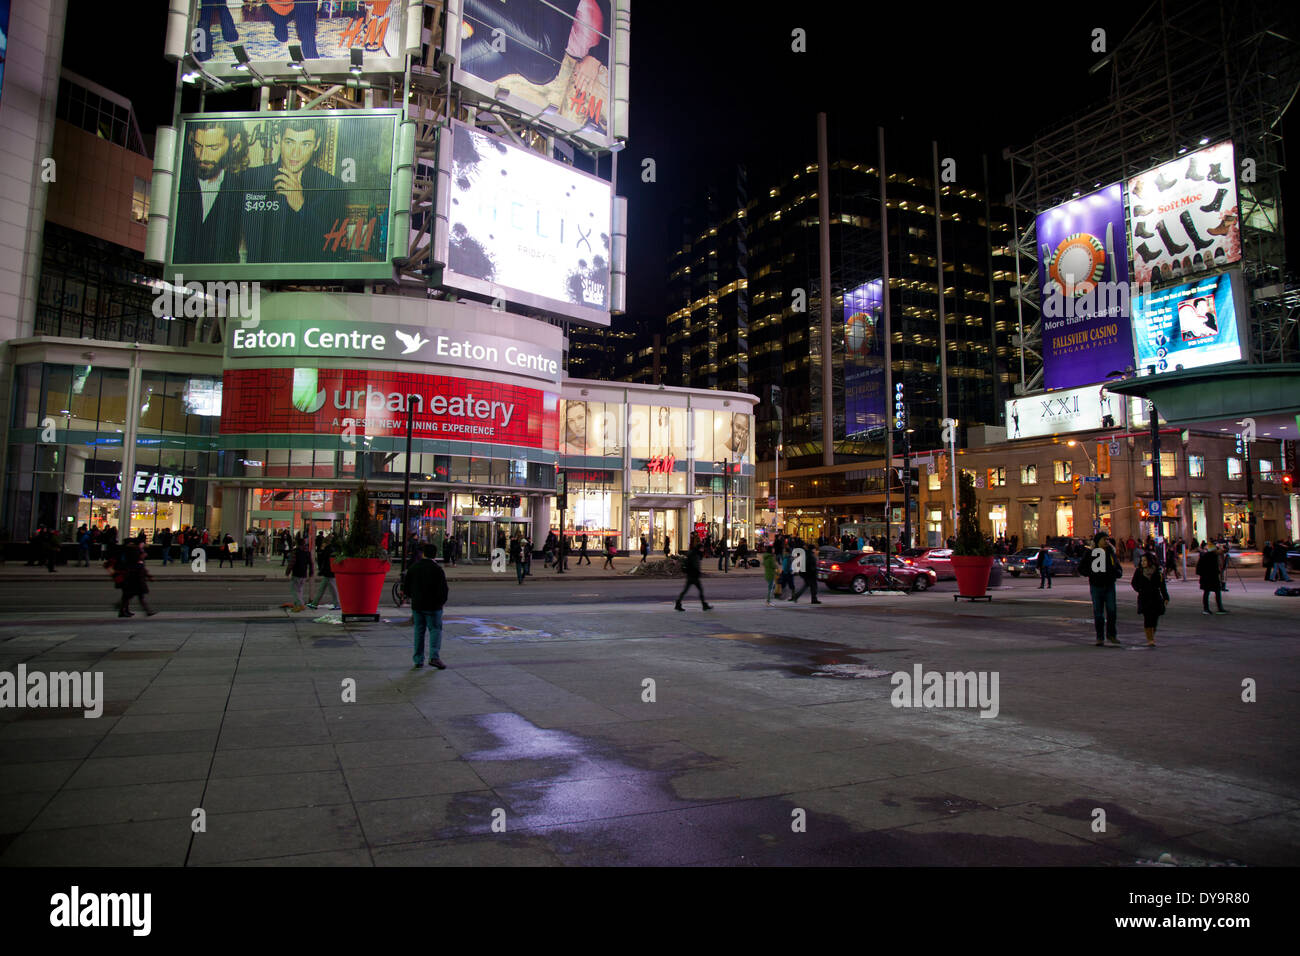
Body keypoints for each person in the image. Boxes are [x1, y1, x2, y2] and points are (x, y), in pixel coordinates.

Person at [240, 116, 347, 263]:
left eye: (305, 144)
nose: (295, 153)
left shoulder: (332, 187)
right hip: (260, 279)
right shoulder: (251, 178)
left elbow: (336, 247)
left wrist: (301, 207)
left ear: (317, 145)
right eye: (289, 142)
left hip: (306, 281)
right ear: (279, 139)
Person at [172, 120, 245, 263]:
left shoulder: (240, 188)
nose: (203, 156)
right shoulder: (178, 180)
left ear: (234, 142)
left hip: (224, 283)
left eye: (213, 147)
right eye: (198, 146)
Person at [404, 544, 450, 668]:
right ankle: (434, 657)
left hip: (418, 605)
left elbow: (406, 588)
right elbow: (443, 590)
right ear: (435, 555)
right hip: (433, 606)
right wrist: (440, 602)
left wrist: (413, 597)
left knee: (419, 631)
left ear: (423, 554)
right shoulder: (437, 569)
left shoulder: (414, 568)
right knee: (435, 630)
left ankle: (418, 659)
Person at [1084, 531, 1124, 646]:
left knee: (1112, 611)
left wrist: (1117, 572)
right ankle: (1100, 637)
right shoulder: (1091, 553)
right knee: (1098, 613)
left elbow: (1117, 567)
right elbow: (1082, 568)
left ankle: (1112, 635)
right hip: (1096, 586)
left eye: (1107, 539)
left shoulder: (1110, 552)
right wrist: (1092, 574)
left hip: (1109, 585)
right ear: (1097, 541)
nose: (1106, 541)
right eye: (1104, 539)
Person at [1131, 552, 1170, 647]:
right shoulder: (1139, 571)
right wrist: (1139, 589)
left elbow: (1162, 586)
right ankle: (1150, 639)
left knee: (1155, 618)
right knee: (1147, 618)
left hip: (1155, 597)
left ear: (1150, 561)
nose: (1143, 562)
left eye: (1145, 560)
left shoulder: (1157, 572)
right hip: (1144, 598)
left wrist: (1166, 597)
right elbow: (1134, 583)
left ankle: (1152, 634)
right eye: (1142, 561)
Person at [116, 534, 156, 618]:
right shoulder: (134, 551)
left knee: (129, 595)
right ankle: (122, 609)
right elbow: (137, 564)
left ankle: (123, 610)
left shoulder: (133, 550)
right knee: (132, 595)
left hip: (133, 576)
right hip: (133, 577)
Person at [675, 542, 711, 611]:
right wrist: (698, 573)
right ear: (699, 548)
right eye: (702, 548)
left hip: (690, 575)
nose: (703, 550)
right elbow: (696, 565)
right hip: (694, 575)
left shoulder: (693, 553)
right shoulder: (695, 555)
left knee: (685, 590)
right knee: (700, 590)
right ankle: (704, 605)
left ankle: (678, 603)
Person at [307, 535, 339, 609]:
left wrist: (321, 550)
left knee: (333, 589)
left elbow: (324, 560)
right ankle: (315, 603)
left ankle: (337, 604)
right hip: (329, 571)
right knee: (322, 588)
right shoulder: (333, 548)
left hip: (328, 572)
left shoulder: (328, 549)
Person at [285, 536, 315, 612]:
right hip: (304, 573)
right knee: (300, 590)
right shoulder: (307, 552)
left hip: (296, 573)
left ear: (297, 543)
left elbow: (291, 563)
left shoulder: (295, 551)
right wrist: (311, 572)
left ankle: (300, 604)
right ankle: (298, 604)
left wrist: (287, 572)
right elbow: (311, 563)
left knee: (294, 590)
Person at [1196, 543, 1228, 615]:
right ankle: (1217, 608)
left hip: (1207, 577)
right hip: (1210, 577)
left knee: (1208, 592)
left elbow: (1198, 568)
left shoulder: (1206, 556)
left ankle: (1207, 609)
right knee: (1213, 592)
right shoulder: (1211, 556)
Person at [789, 537, 822, 604]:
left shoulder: (806, 553)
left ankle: (796, 596)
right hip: (809, 574)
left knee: (806, 586)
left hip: (805, 573)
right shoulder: (811, 556)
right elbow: (811, 566)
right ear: (813, 549)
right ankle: (814, 599)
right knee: (813, 586)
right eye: (815, 549)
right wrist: (814, 572)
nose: (816, 550)